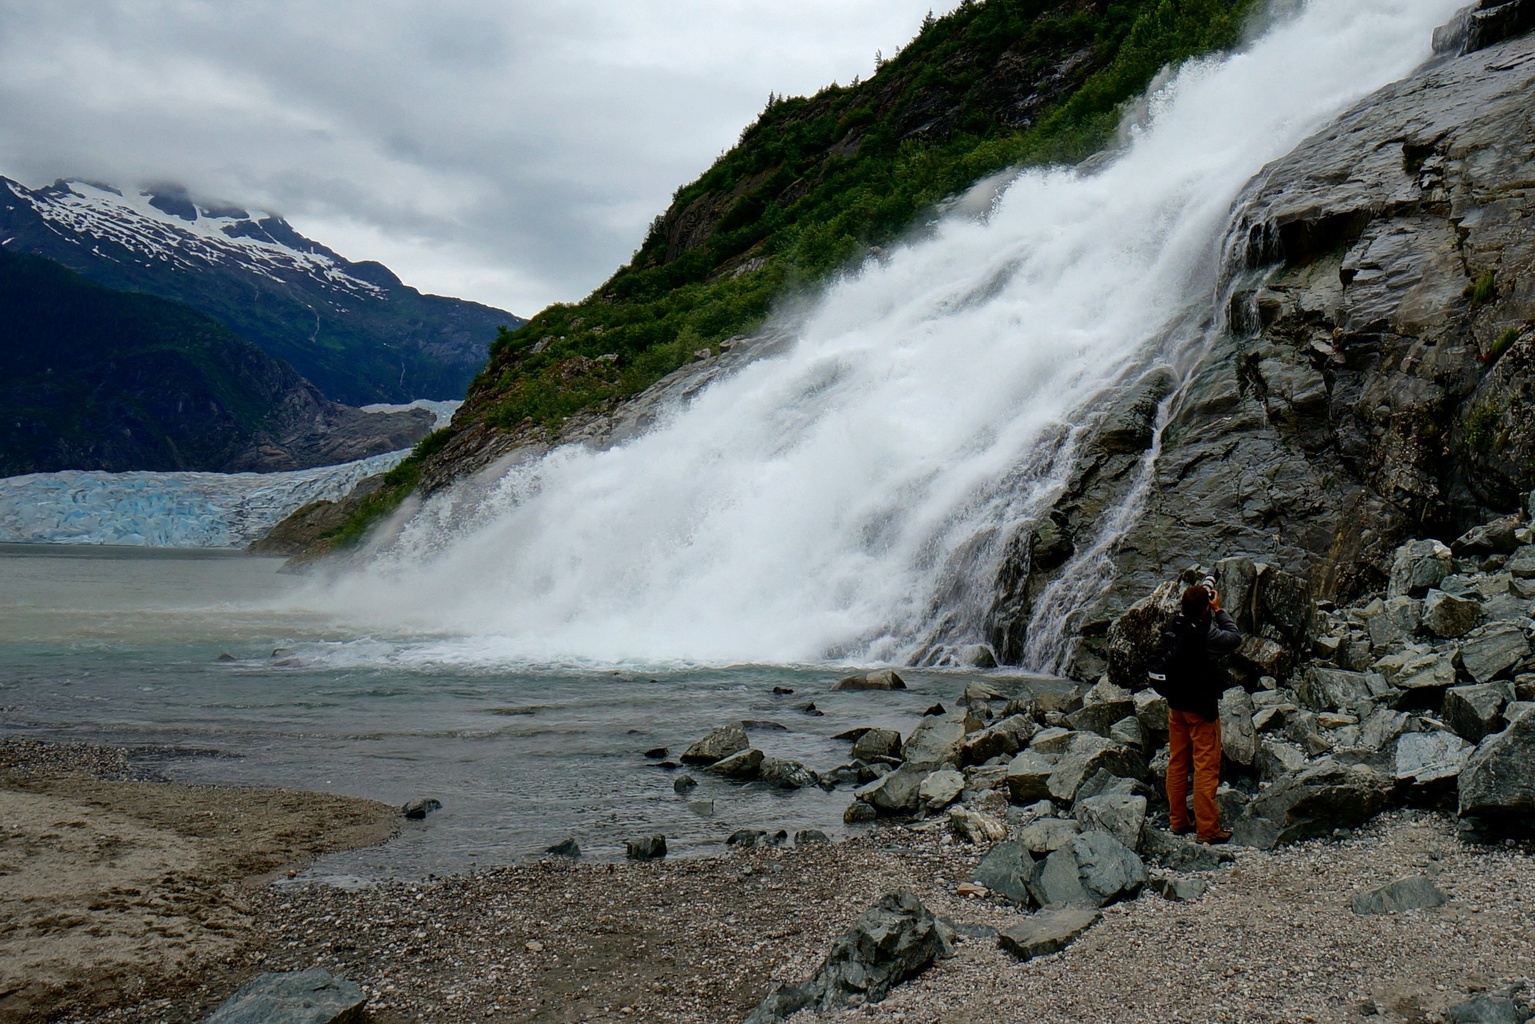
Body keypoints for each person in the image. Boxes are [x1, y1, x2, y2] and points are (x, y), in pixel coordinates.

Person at [1146, 574, 1241, 843]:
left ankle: (1178, 821)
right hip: (1201, 709)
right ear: (1204, 607)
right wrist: (1219, 609)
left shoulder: (1176, 624)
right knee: (1205, 767)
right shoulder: (1205, 632)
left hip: (1176, 705)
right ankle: (1208, 830)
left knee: (1177, 762)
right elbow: (1234, 638)